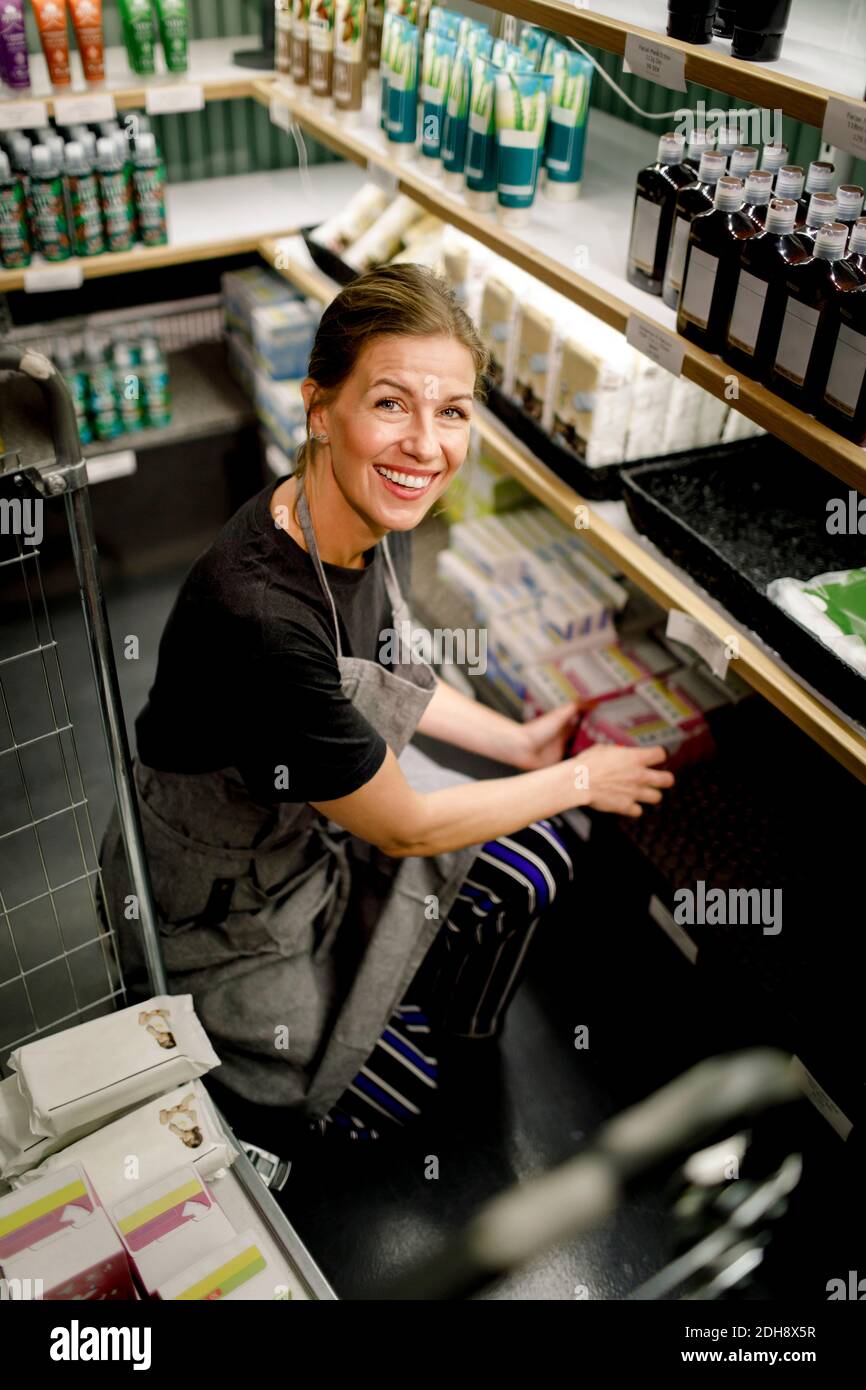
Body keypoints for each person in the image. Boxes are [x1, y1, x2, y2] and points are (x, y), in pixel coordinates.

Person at [99, 264, 673, 1146]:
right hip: (225, 910)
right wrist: (580, 775)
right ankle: (361, 1017)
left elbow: (396, 667)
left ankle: (400, 988)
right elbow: (403, 827)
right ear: (320, 407)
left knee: (535, 860)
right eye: (392, 404)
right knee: (393, 1101)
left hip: (313, 840)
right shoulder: (264, 613)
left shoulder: (354, 516)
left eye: (452, 412)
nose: (426, 446)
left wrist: (522, 744)